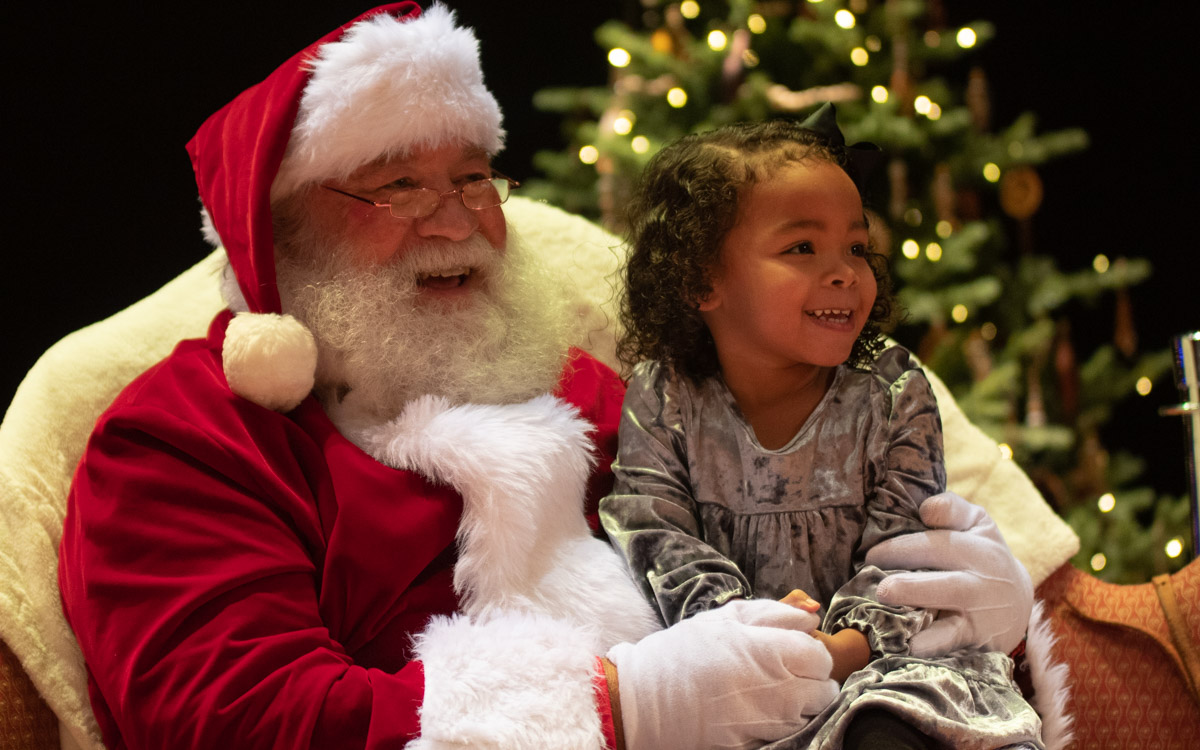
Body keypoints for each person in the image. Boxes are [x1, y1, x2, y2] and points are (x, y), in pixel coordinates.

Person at [56, 4, 1036, 749]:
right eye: (399, 185)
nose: (457, 220)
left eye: (473, 176)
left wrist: (954, 611)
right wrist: (618, 706)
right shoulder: (185, 437)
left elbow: (772, 566)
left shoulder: (573, 389)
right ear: (283, 234)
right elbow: (241, 719)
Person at [600, 110, 1043, 749]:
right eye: (802, 248)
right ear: (701, 280)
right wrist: (747, 628)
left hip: (884, 656)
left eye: (856, 248)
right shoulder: (665, 395)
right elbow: (654, 530)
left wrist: (847, 647)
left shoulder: (892, 391)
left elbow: (905, 544)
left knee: (918, 701)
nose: (844, 272)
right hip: (743, 668)